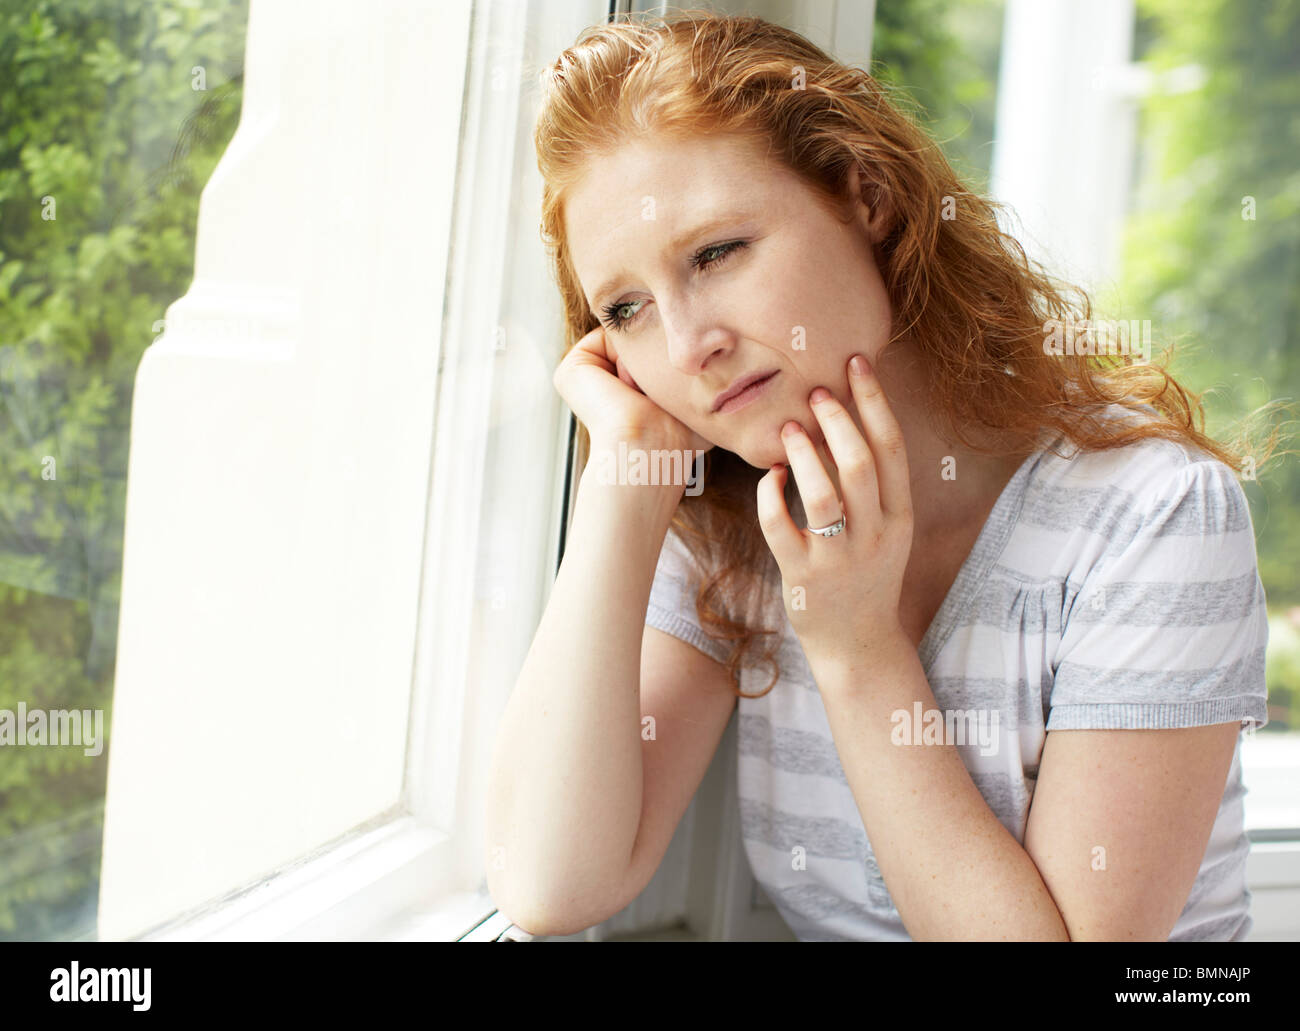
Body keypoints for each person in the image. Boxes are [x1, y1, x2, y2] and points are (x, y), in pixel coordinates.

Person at [484, 9, 1282, 941]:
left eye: (716, 253)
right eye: (627, 309)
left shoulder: (1152, 514)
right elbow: (550, 885)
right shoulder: (729, 517)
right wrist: (626, 481)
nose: (690, 345)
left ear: (867, 196)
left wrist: (858, 649)